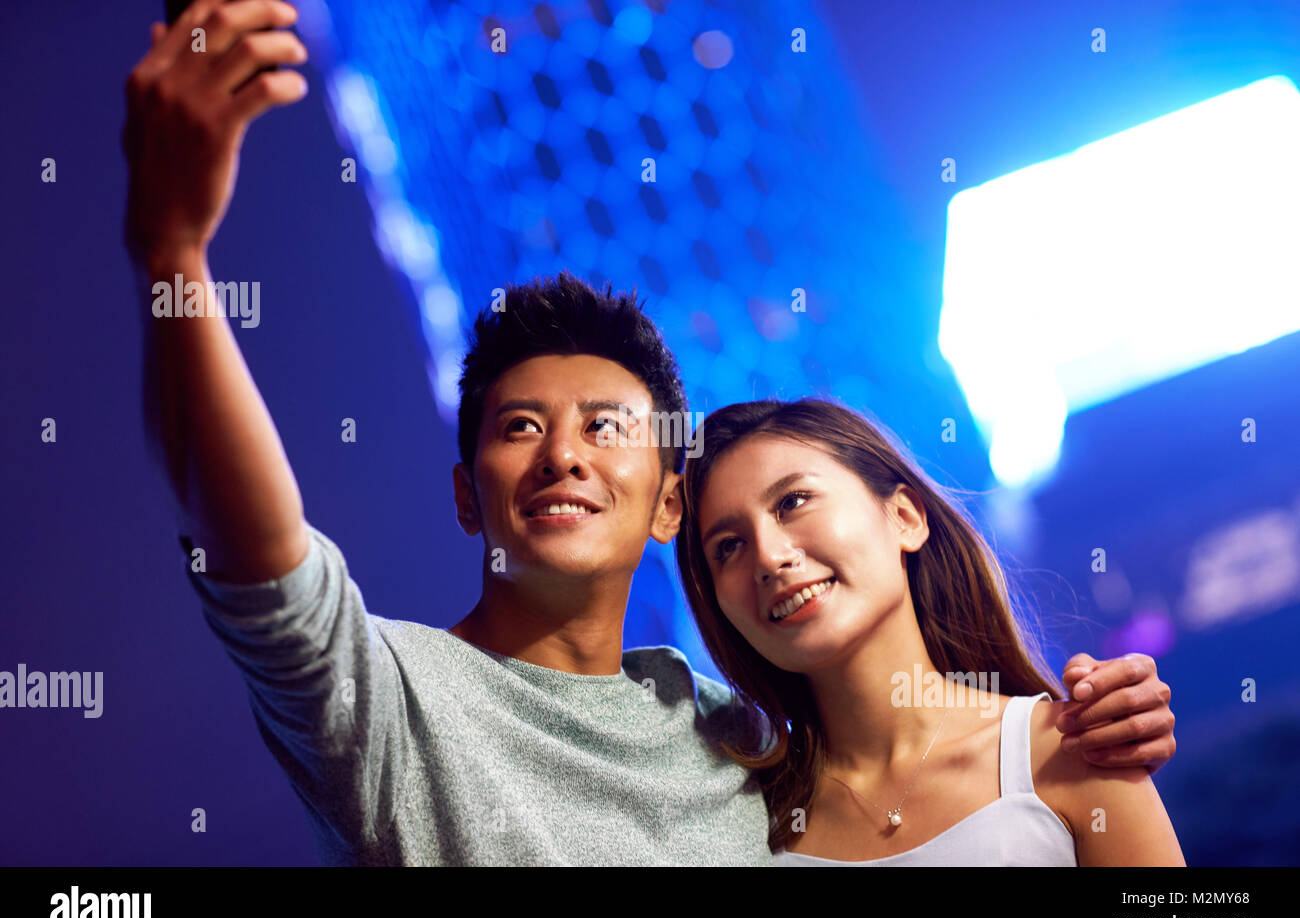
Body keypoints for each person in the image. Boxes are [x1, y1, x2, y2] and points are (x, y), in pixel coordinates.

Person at [122, 0, 1179, 865]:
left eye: (605, 424)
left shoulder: (735, 743)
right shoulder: (390, 703)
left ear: (666, 498)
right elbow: (257, 558)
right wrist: (174, 249)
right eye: (519, 427)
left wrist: (1080, 711)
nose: (563, 452)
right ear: (464, 493)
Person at [675, 399, 1186, 865]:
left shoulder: (1071, 747)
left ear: (904, 516)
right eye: (728, 546)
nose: (767, 556)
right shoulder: (739, 823)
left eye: (793, 501)